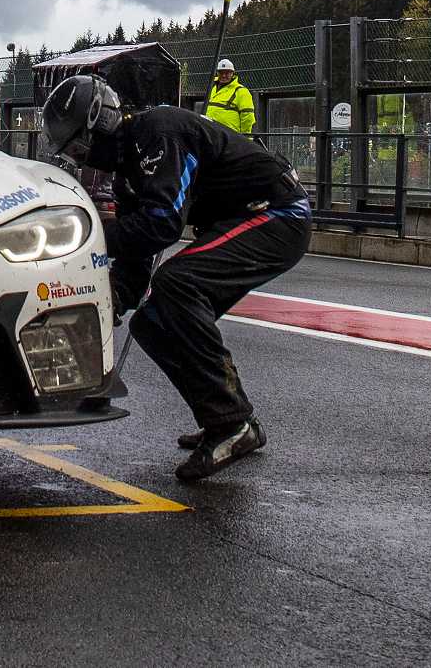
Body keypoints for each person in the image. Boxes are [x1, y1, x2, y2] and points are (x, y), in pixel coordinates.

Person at [43, 75, 310, 482]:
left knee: (176, 285)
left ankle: (231, 422)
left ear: (101, 124)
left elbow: (162, 224)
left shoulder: (158, 133)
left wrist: (93, 234)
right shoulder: (127, 174)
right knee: (152, 322)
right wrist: (111, 300)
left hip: (277, 213)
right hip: (243, 218)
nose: (82, 160)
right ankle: (227, 416)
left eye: (80, 148)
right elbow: (136, 256)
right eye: (72, 154)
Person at [204, 58, 256, 136]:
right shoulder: (212, 88)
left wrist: (245, 136)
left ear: (232, 73)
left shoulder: (241, 91)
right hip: (211, 134)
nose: (224, 75)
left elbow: (248, 117)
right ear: (217, 73)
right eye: (221, 73)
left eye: (227, 73)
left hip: (230, 137)